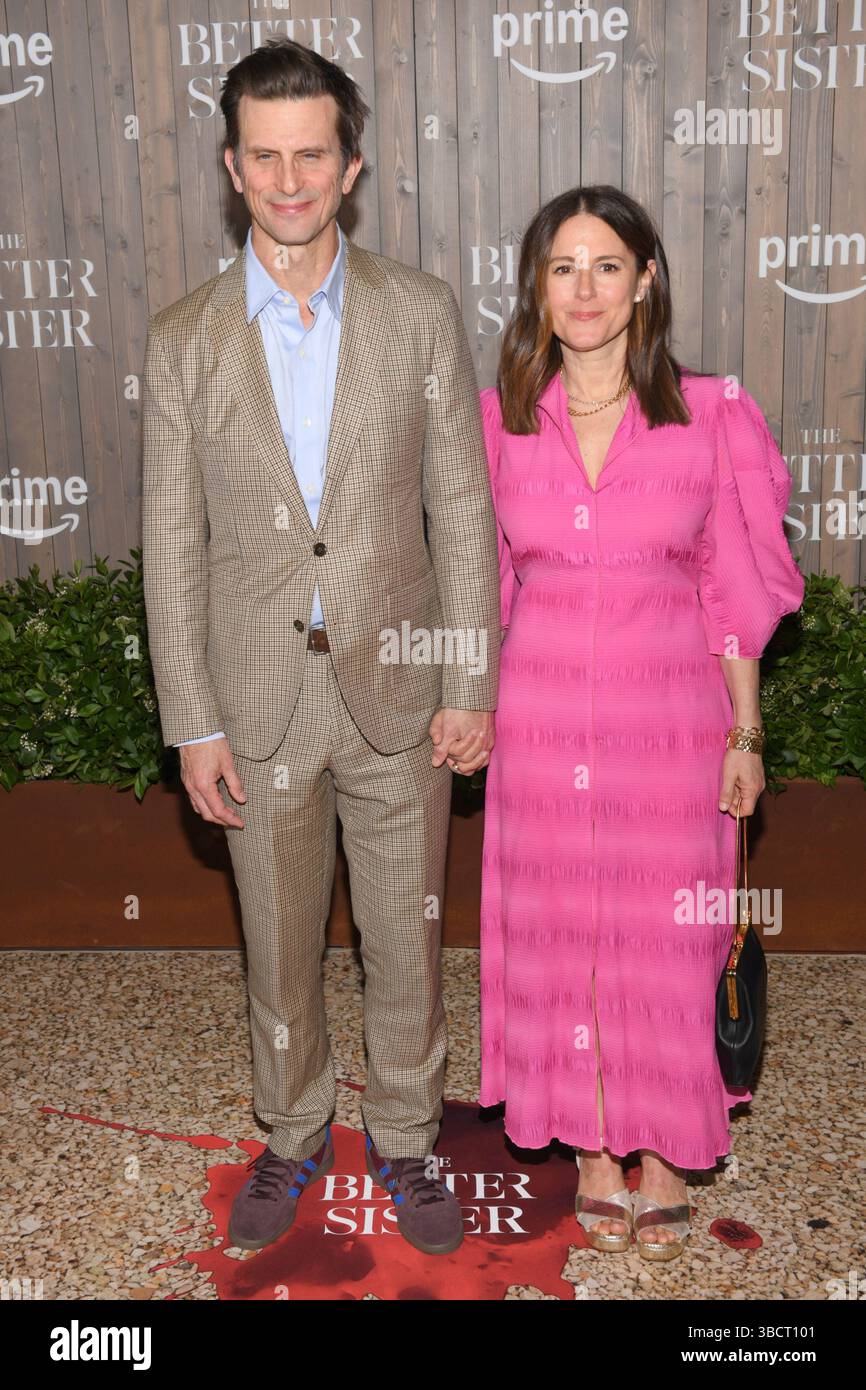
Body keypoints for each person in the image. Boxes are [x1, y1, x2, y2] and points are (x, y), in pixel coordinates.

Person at [141, 37, 500, 1257]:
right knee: (280, 949)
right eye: (263, 156)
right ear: (233, 168)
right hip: (255, 707)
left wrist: (470, 681)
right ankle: (290, 1134)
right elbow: (171, 548)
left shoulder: (418, 313)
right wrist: (190, 719)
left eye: (312, 154)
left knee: (405, 938)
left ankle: (405, 1138)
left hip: (401, 694)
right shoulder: (184, 337)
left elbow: (460, 509)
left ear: (350, 166)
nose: (288, 179)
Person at [478, 185, 805, 1261]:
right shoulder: (497, 424)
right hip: (537, 731)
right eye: (561, 266)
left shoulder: (708, 414)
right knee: (560, 936)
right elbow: (481, 584)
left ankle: (662, 1148)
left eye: (606, 264)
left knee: (668, 939)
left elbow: (732, 589)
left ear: (645, 278)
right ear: (535, 284)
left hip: (670, 726)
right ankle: (586, 1148)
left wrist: (745, 736)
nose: (583, 288)